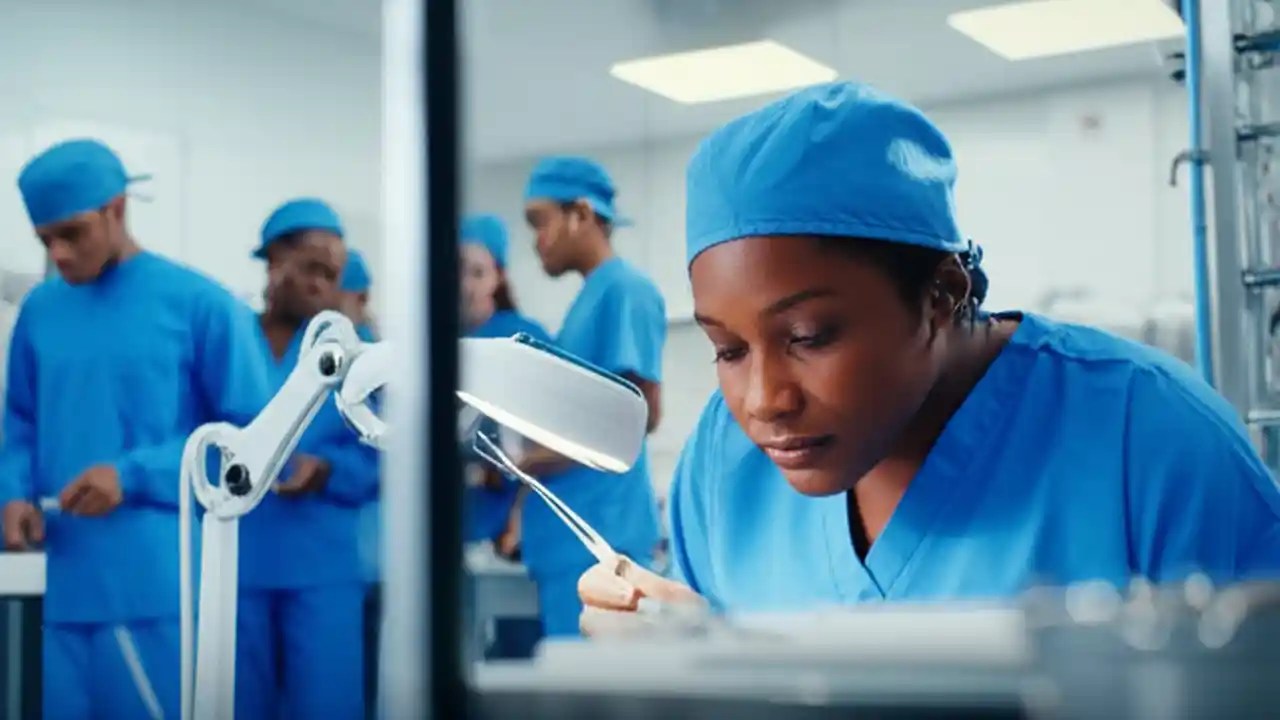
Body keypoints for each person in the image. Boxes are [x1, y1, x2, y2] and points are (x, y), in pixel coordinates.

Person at [577, 81, 1280, 633]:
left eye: (810, 336)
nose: (763, 400)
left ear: (942, 295)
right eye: (727, 350)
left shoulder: (1153, 440)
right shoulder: (723, 469)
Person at [0, 138, 269, 718]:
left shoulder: (201, 306)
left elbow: (248, 441)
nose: (60, 255)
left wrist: (134, 475)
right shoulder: (41, 314)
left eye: (72, 234)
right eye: (46, 241)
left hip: (159, 585)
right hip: (67, 582)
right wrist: (14, 492)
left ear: (116, 209)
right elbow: (20, 419)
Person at [236, 198, 379, 720]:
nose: (323, 287)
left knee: (326, 704)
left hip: (322, 568)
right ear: (274, 260)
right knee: (234, 702)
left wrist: (328, 470)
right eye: (311, 270)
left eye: (332, 275)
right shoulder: (231, 339)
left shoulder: (352, 354)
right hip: (239, 563)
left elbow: (386, 454)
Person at [521, 158, 667, 637]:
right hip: (569, 541)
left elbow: (634, 417)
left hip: (602, 539)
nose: (536, 239)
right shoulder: (587, 304)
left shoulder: (625, 291)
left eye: (540, 221)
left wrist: (524, 460)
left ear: (581, 214)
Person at [459, 213, 552, 553]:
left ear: (498, 277)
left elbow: (552, 440)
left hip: (513, 531)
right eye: (457, 271)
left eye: (478, 272)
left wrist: (516, 515)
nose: (465, 284)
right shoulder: (432, 347)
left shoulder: (526, 341)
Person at [338, 247, 382, 719]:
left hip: (372, 559)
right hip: (347, 558)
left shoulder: (374, 361)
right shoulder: (319, 359)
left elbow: (384, 457)